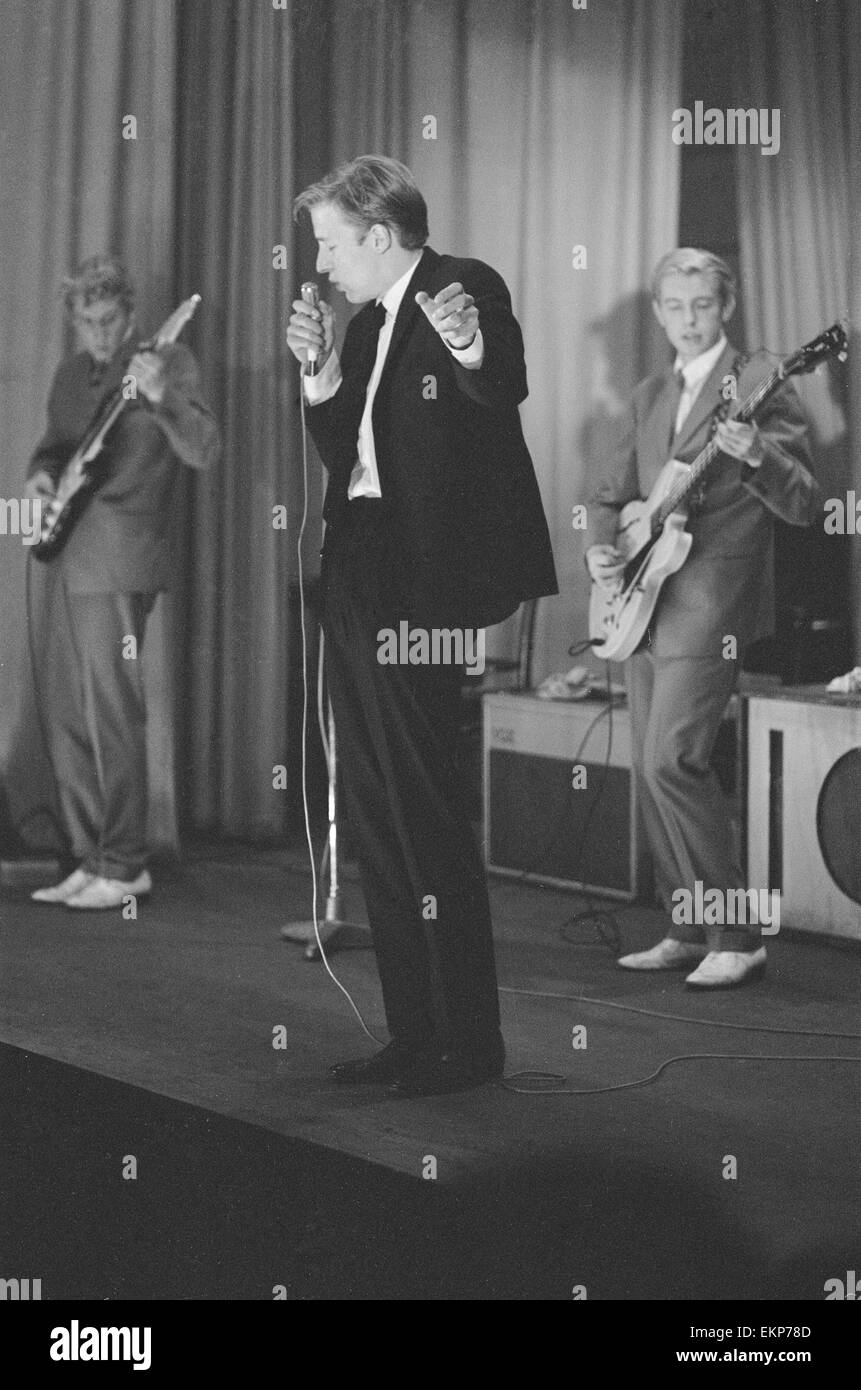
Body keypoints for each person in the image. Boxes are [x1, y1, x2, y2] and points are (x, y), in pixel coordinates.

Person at [287, 155, 557, 1095]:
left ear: (375, 233)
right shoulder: (361, 328)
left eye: (328, 243)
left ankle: (467, 1044)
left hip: (421, 587)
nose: (320, 266)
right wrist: (320, 375)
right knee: (375, 811)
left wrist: (472, 348)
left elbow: (502, 385)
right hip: (357, 569)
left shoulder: (461, 286)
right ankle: (413, 1036)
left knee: (425, 811)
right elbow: (344, 456)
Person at [587, 248, 818, 988]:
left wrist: (753, 457)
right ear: (657, 313)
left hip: (708, 603)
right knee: (648, 772)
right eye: (674, 307)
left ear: (727, 308)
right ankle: (686, 924)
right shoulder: (650, 392)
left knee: (670, 761)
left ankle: (738, 933)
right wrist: (599, 549)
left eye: (702, 306)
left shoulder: (761, 386)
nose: (688, 321)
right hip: (641, 599)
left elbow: (806, 501)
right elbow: (606, 495)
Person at [27, 255, 220, 910]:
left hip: (124, 556)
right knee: (69, 714)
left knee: (111, 710)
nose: (100, 335)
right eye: (87, 322)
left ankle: (125, 861)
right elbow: (53, 446)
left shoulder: (170, 361)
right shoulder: (70, 374)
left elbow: (204, 448)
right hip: (68, 555)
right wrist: (42, 476)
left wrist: (161, 395)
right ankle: (89, 855)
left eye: (109, 321)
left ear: (131, 315)